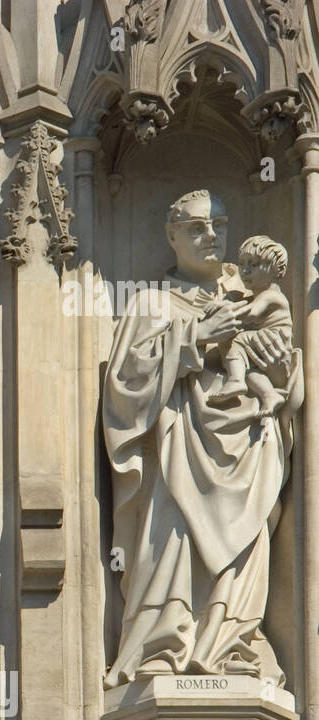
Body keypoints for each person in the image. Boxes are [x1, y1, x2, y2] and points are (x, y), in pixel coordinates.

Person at [103, 190, 302, 688]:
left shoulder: (253, 299)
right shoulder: (151, 303)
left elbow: (289, 385)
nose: (211, 235)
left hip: (250, 447)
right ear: (172, 236)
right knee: (173, 536)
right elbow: (126, 387)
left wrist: (281, 368)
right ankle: (164, 644)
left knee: (247, 538)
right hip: (178, 450)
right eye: (196, 227)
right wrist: (195, 336)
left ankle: (230, 643)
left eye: (218, 224)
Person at [211, 234, 291, 417]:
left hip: (273, 339)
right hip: (261, 345)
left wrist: (223, 309)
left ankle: (236, 380)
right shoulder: (254, 296)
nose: (245, 270)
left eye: (253, 265)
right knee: (248, 368)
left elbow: (252, 313)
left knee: (235, 340)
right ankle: (269, 394)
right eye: (241, 264)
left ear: (275, 270)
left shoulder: (271, 295)